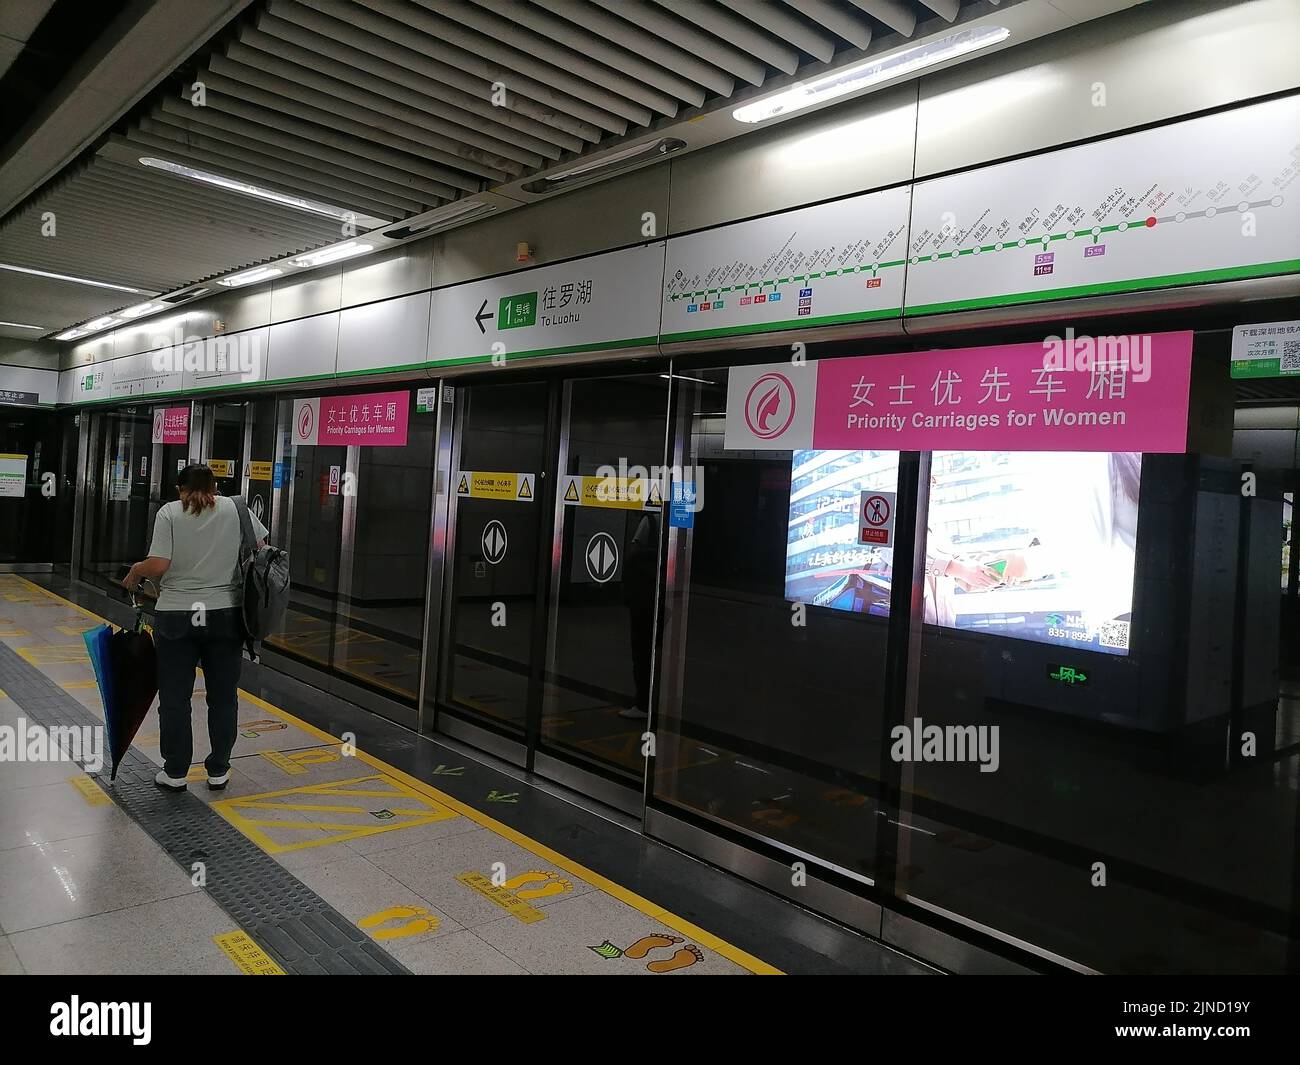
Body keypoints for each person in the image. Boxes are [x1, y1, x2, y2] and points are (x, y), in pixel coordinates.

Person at [123, 464, 267, 791]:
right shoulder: (236, 507)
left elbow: (159, 564)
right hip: (224, 615)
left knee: (175, 695)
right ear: (216, 486)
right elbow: (260, 549)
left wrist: (136, 570)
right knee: (223, 695)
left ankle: (175, 771)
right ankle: (218, 768)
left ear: (179, 489)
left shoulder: (170, 513)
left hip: (177, 615)